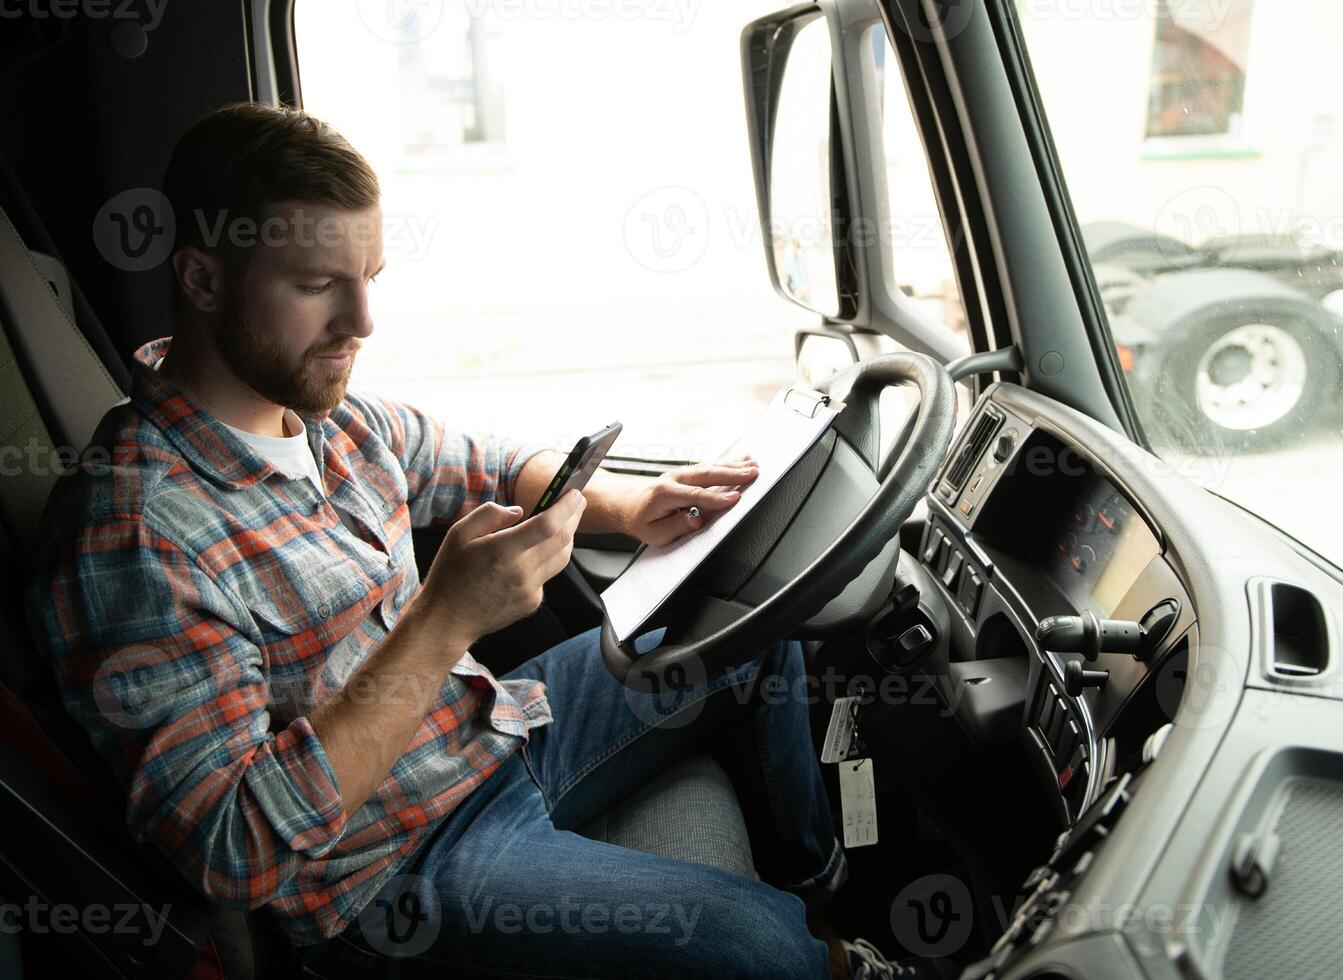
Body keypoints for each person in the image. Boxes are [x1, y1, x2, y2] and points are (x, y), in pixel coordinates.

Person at [27, 103, 947, 979]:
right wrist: (442, 621)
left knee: (747, 628)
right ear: (200, 279)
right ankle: (813, 958)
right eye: (316, 287)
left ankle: (823, 896)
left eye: (369, 280)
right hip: (385, 875)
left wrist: (632, 504)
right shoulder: (136, 534)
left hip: (491, 734)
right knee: (752, 946)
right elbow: (235, 852)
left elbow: (487, 462)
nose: (361, 324)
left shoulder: (329, 420)